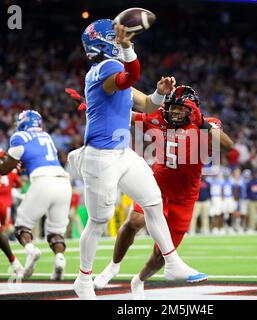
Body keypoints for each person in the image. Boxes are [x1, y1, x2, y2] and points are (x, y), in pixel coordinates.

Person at [68, 20, 209, 299]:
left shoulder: (109, 70)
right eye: (115, 37)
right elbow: (130, 76)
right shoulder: (107, 67)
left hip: (122, 154)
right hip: (101, 157)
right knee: (98, 221)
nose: (120, 39)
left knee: (153, 201)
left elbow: (147, 104)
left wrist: (159, 92)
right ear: (104, 42)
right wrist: (128, 47)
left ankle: (172, 263)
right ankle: (83, 279)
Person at [92, 85, 233, 299]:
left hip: (184, 197)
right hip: (156, 185)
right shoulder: (159, 117)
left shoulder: (207, 124)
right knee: (134, 222)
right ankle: (113, 266)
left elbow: (227, 146)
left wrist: (201, 123)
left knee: (161, 255)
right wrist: (96, 107)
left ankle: (138, 280)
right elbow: (126, 116)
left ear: (193, 109)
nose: (174, 113)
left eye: (180, 109)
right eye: (172, 108)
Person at [0, 110, 72, 280]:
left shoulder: (19, 137)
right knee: (56, 233)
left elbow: (4, 169)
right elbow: (32, 158)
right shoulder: (47, 137)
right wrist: (19, 163)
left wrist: (5, 157)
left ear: (23, 123)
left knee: (21, 228)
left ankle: (31, 250)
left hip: (43, 181)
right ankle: (60, 259)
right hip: (63, 182)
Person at [0, 149, 24, 279]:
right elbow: (19, 183)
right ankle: (15, 263)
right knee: (3, 230)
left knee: (2, 231)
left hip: (3, 202)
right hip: (6, 203)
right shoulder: (11, 170)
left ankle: (15, 262)